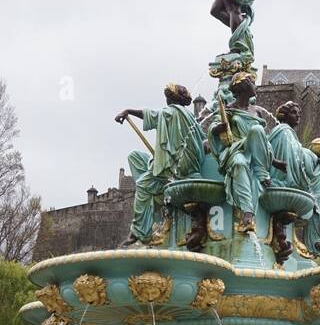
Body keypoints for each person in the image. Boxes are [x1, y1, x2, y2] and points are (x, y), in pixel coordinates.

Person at [115, 84, 205, 245]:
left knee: (142, 185)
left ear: (171, 98)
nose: (166, 100)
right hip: (174, 162)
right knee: (135, 156)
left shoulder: (172, 112)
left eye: (167, 97)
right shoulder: (189, 116)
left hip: (175, 168)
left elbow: (151, 114)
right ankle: (156, 193)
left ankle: (140, 233)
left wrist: (128, 111)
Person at [209, 71, 272, 233]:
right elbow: (212, 128)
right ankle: (247, 214)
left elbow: (264, 137)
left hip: (255, 150)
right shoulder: (229, 109)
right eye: (252, 82)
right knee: (239, 163)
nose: (255, 86)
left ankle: (261, 170)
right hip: (235, 149)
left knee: (257, 129)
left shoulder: (257, 111)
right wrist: (219, 128)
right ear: (244, 87)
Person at [267, 101, 320, 254]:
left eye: (299, 114)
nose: (298, 116)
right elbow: (293, 158)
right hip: (282, 179)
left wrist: (315, 159)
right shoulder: (283, 131)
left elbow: (296, 154)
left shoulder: (290, 135)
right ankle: (316, 242)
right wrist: (314, 158)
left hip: (287, 179)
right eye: (294, 113)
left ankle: (317, 242)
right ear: (284, 115)